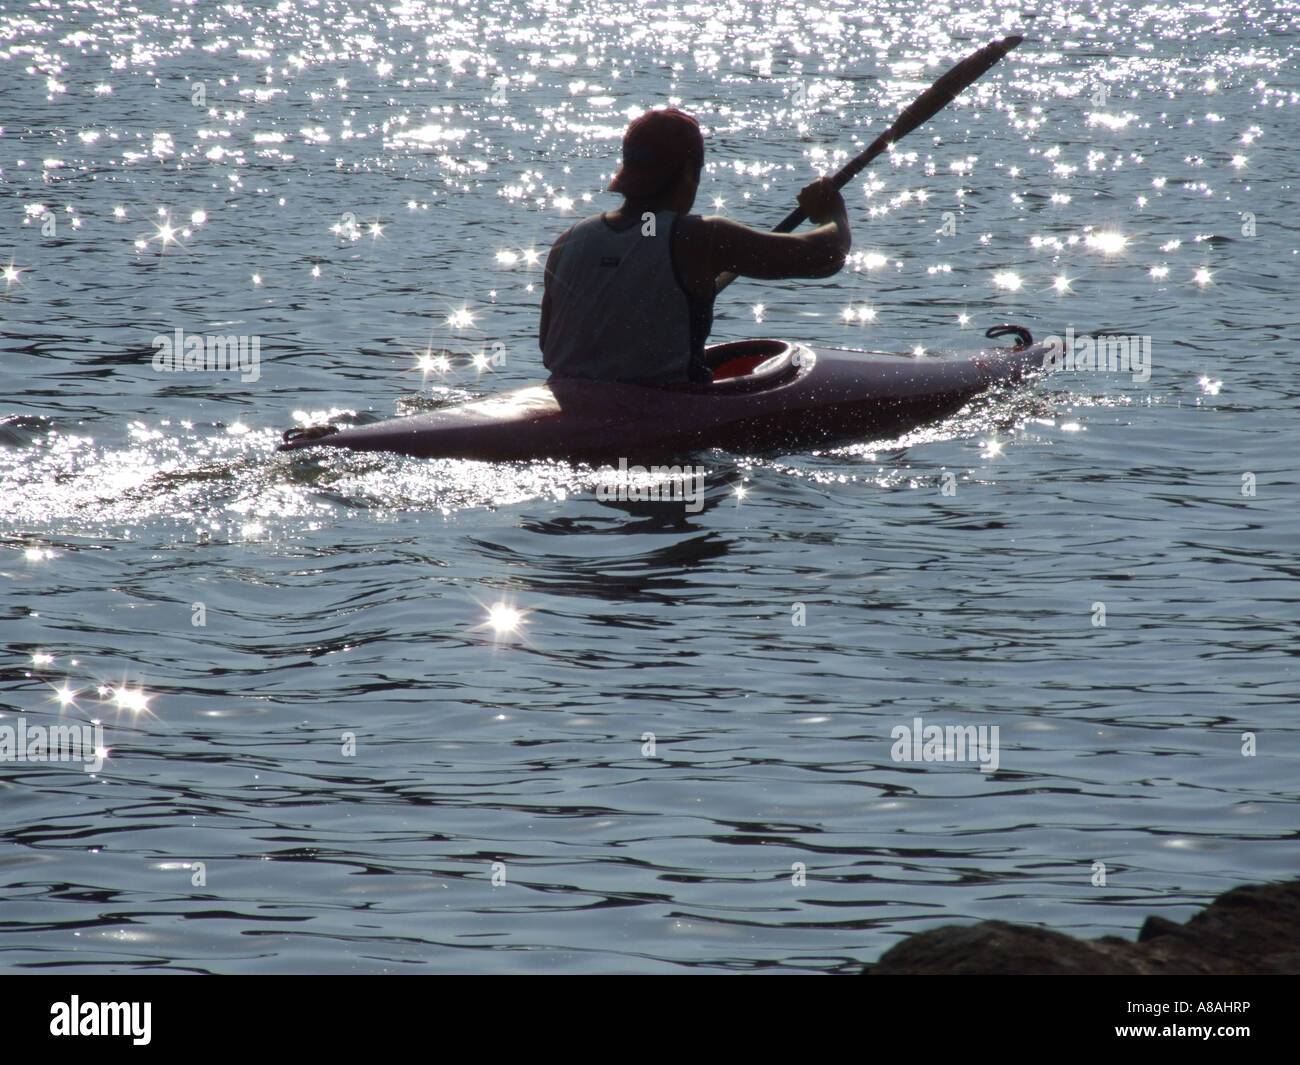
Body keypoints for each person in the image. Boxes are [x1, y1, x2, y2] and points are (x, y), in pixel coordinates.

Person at [539, 107, 851, 385]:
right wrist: (833, 211)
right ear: (689, 171)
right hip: (655, 424)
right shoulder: (699, 237)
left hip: (564, 407)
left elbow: (547, 346)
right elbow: (827, 255)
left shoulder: (568, 241)